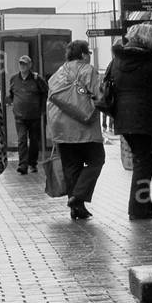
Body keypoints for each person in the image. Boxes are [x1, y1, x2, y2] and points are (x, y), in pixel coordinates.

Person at [106, 23, 152, 220]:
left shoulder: (116, 61)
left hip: (123, 120)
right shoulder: (151, 62)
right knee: (143, 164)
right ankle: (138, 208)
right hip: (145, 119)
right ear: (147, 39)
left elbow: (106, 86)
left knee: (141, 161)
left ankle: (145, 204)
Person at [46, 40, 105, 221]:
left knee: (72, 167)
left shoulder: (58, 73)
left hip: (62, 129)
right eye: (87, 52)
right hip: (84, 129)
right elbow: (99, 95)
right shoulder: (87, 70)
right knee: (97, 160)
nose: (89, 56)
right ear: (82, 54)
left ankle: (77, 209)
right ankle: (78, 196)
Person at [8, 54, 48, 174]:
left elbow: (45, 92)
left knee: (34, 140)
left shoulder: (37, 79)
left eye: (25, 64)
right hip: (19, 116)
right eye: (21, 63)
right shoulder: (13, 79)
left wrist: (42, 109)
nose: (22, 66)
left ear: (30, 65)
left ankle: (32, 163)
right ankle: (23, 165)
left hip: (34, 116)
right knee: (22, 140)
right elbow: (11, 94)